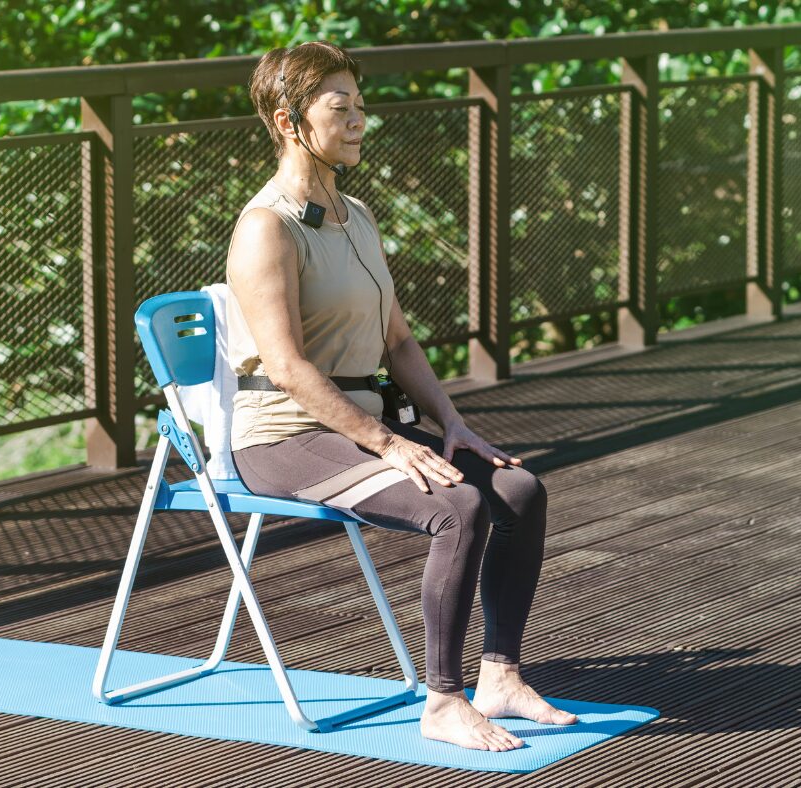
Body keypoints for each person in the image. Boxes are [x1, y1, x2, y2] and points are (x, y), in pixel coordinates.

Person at [225, 41, 577, 753]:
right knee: (459, 506)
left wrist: (451, 424)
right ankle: (443, 701)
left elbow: (401, 344)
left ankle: (499, 678)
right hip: (281, 439)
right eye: (340, 107)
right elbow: (289, 369)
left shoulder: (355, 213)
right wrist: (389, 443)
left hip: (359, 425)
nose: (360, 120)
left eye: (361, 104)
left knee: (518, 490)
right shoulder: (267, 227)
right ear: (291, 122)